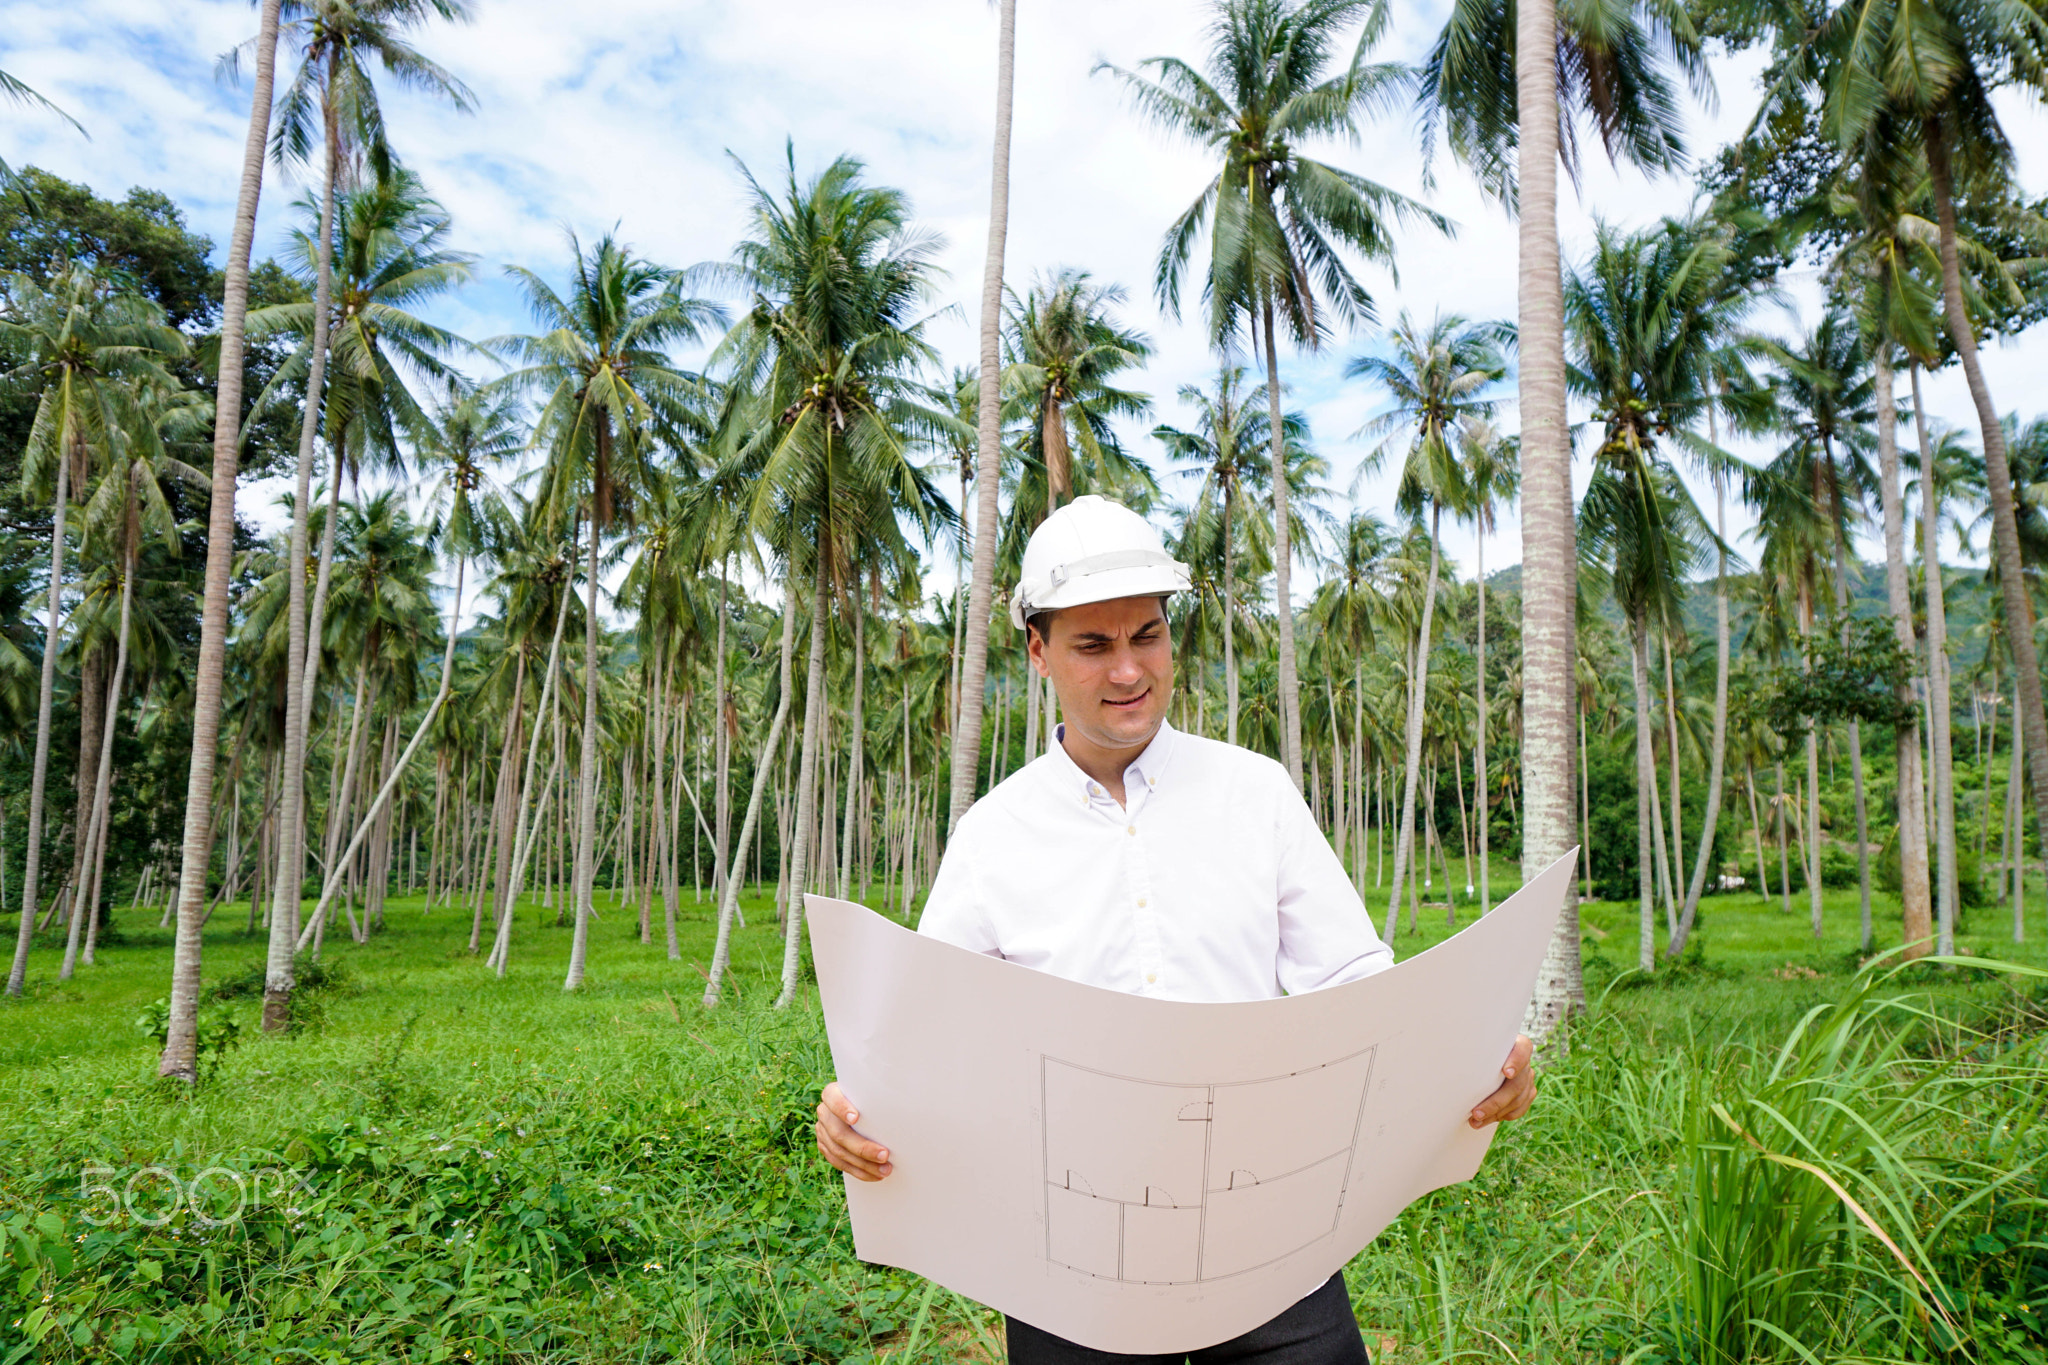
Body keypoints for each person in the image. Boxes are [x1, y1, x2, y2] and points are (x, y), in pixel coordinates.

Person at [816, 495, 1537, 1364]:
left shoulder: (1256, 794)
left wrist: (1472, 1060)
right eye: (1093, 644)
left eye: (1147, 635)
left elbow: (1354, 983)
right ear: (1038, 650)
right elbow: (927, 1051)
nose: (1129, 670)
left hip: (1273, 1238)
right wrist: (854, 1115)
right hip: (1070, 1262)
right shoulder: (992, 839)